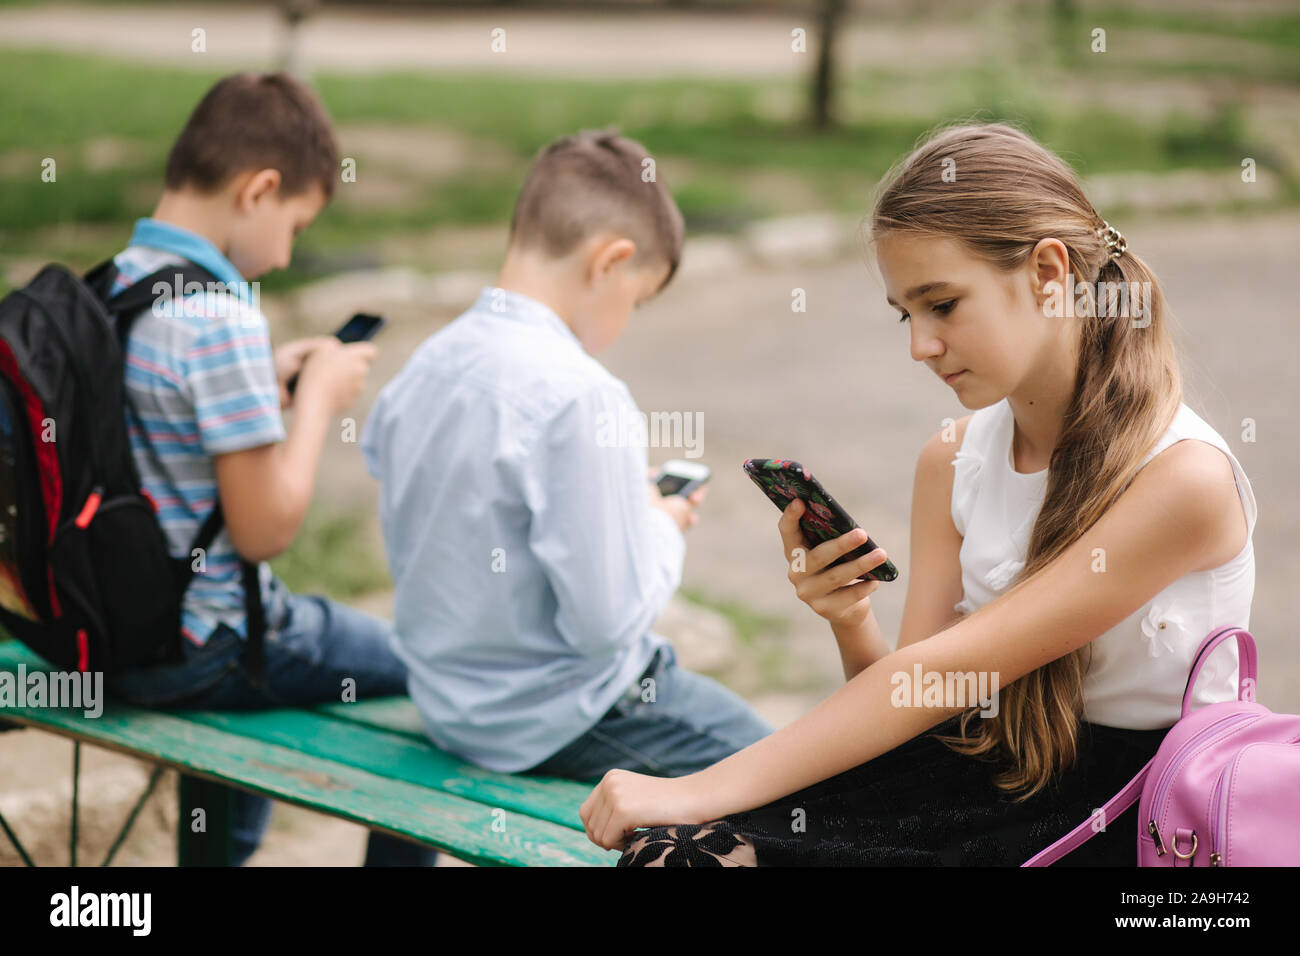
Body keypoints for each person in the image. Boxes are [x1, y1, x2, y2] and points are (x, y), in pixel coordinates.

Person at [583, 121, 1257, 866]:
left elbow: (931, 678)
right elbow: (917, 704)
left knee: (688, 843)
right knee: (675, 854)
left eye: (944, 305)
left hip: (1126, 820)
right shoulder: (952, 458)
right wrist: (850, 618)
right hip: (978, 780)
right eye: (908, 313)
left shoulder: (1183, 479)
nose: (920, 346)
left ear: (1047, 271)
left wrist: (693, 787)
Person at [360, 129, 773, 787]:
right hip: (561, 719)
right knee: (804, 777)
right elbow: (604, 627)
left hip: (447, 706)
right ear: (610, 261)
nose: (628, 320)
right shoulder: (582, 398)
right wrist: (660, 525)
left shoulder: (427, 362)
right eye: (637, 300)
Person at [102, 72, 436, 867]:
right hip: (205, 648)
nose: (286, 254)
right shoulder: (221, 317)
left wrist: (267, 386)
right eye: (297, 223)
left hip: (112, 629)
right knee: (436, 676)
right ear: (260, 190)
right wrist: (317, 401)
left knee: (256, 647)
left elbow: (158, 425)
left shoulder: (117, 282)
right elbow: (263, 532)